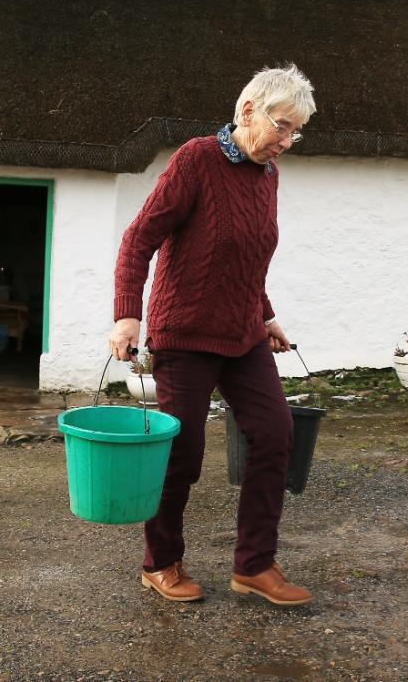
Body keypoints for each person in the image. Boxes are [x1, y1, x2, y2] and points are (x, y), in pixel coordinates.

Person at [107, 64, 316, 606]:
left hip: (244, 336)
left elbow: (248, 258)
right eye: (282, 126)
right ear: (247, 111)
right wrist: (128, 313)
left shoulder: (269, 176)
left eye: (297, 132)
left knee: (274, 436)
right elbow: (138, 239)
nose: (288, 141)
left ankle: (254, 565)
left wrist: (265, 315)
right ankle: (161, 563)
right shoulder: (197, 159)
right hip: (186, 336)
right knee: (183, 454)